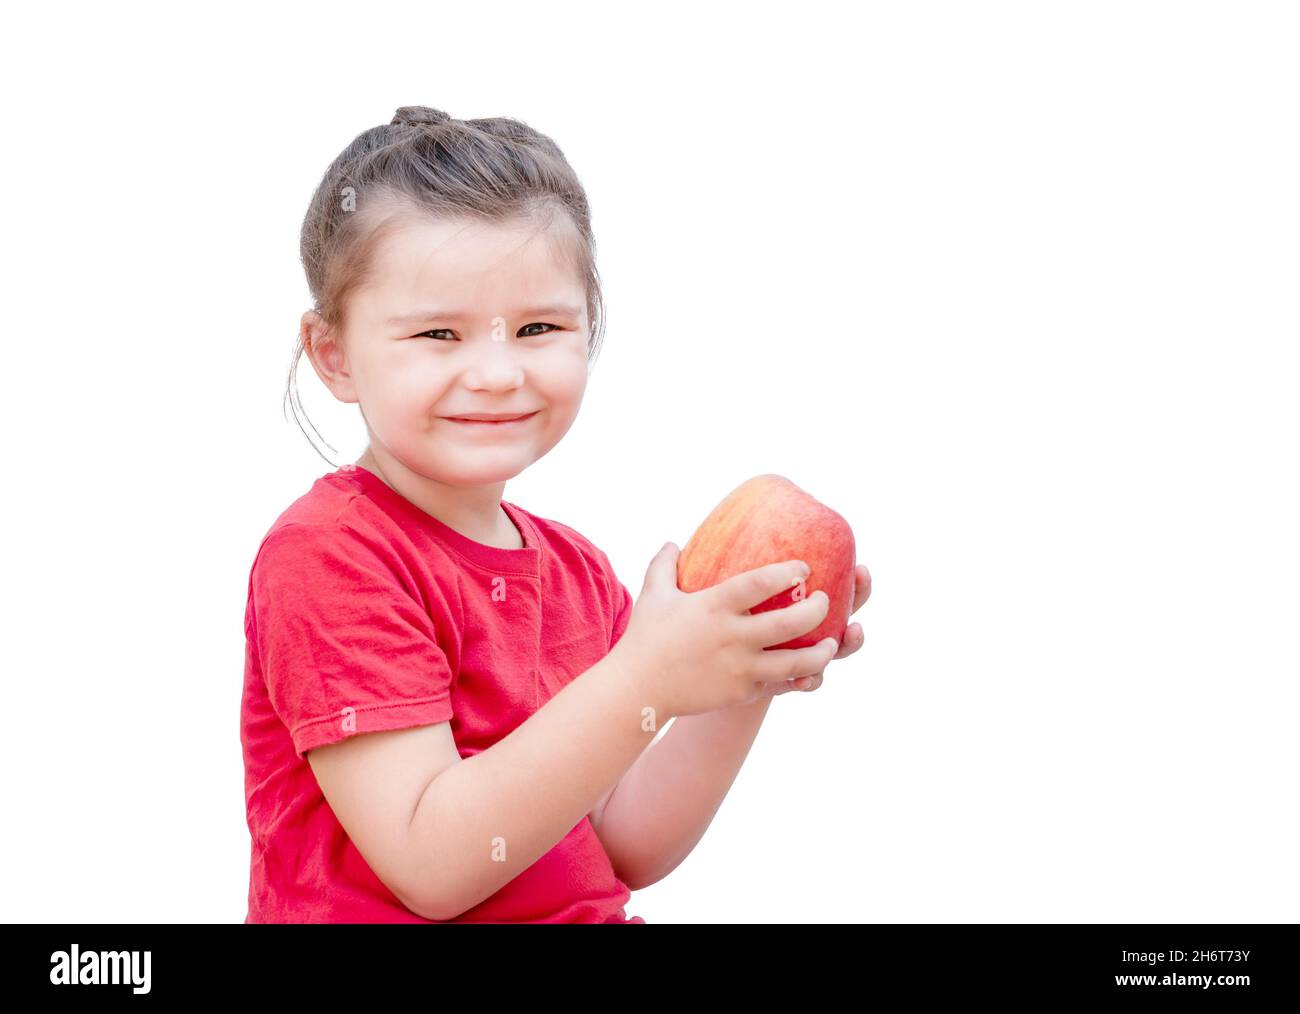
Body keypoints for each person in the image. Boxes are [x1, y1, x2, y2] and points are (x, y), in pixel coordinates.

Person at [240, 105, 872, 923]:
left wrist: (737, 679)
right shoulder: (329, 556)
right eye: (438, 333)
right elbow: (430, 865)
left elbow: (626, 845)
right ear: (335, 355)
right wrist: (644, 676)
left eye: (538, 327)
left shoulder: (573, 570)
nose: (499, 371)